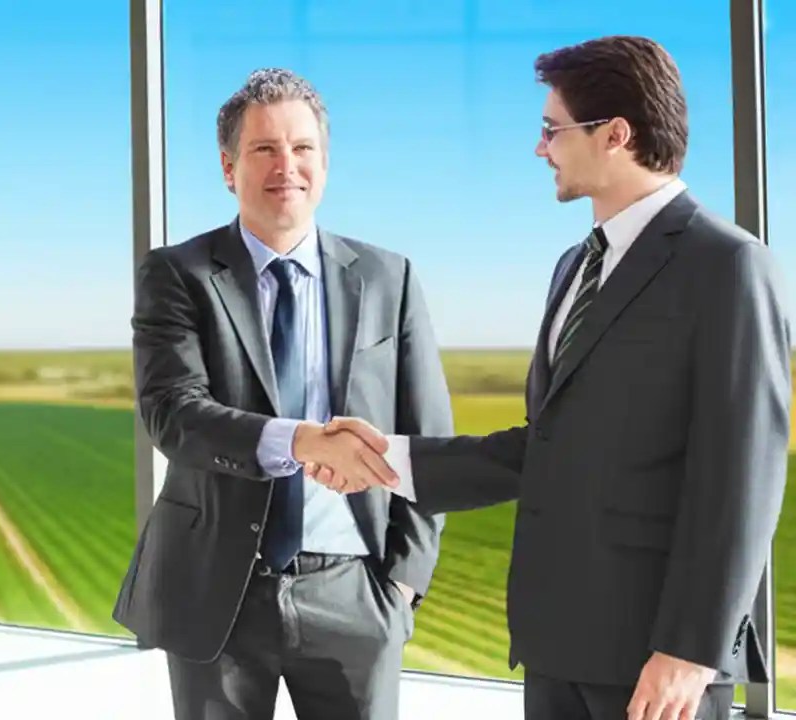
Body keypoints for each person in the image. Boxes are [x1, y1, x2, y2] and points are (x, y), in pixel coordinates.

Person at [311, 35, 791, 720]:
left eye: (552, 129)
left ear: (616, 135)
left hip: (658, 664)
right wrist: (385, 459)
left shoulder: (728, 265)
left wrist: (691, 651)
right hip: (557, 646)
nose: (541, 149)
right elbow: (546, 444)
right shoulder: (574, 266)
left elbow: (743, 476)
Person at [111, 67, 453, 719]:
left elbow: (426, 436)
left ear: (325, 162)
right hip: (218, 591)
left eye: (302, 148)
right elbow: (173, 414)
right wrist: (301, 442)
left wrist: (404, 583)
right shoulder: (179, 274)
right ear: (228, 166)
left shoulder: (389, 277)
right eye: (264, 148)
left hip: (356, 592)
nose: (285, 166)